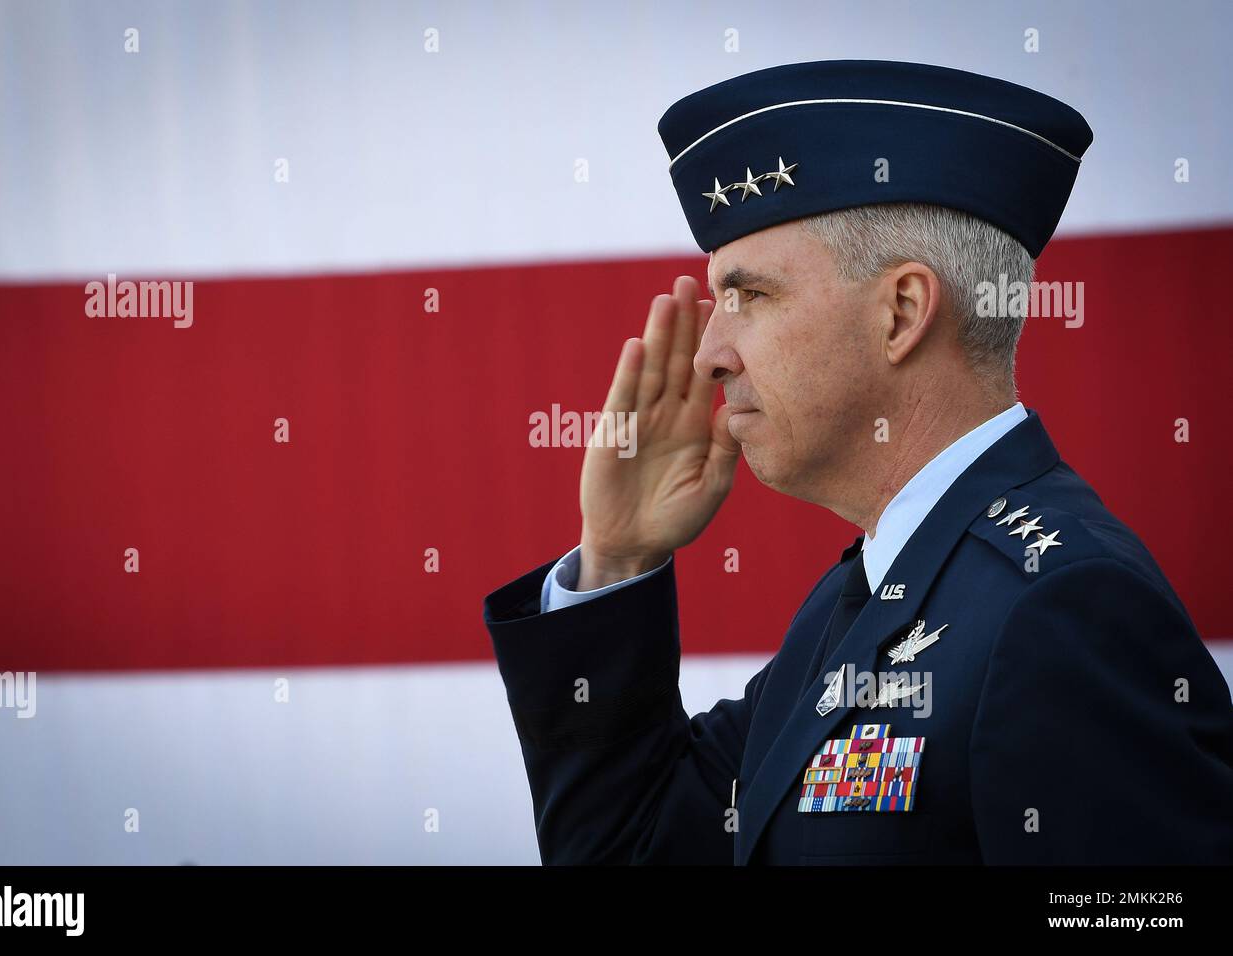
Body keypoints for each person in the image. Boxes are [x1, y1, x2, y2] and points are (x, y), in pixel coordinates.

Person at [482, 60, 1233, 864]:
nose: (710, 355)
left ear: (902, 313)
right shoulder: (872, 590)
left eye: (751, 297)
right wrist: (616, 559)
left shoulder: (1062, 607)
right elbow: (640, 848)